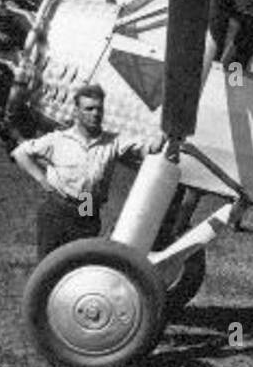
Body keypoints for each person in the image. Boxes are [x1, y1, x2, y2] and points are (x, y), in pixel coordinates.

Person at [11, 83, 163, 260]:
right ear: (76, 111)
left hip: (87, 207)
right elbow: (20, 153)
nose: (95, 114)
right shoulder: (58, 139)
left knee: (79, 267)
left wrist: (162, 138)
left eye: (99, 109)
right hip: (58, 208)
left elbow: (148, 149)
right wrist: (42, 180)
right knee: (49, 266)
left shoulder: (113, 141)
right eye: (89, 109)